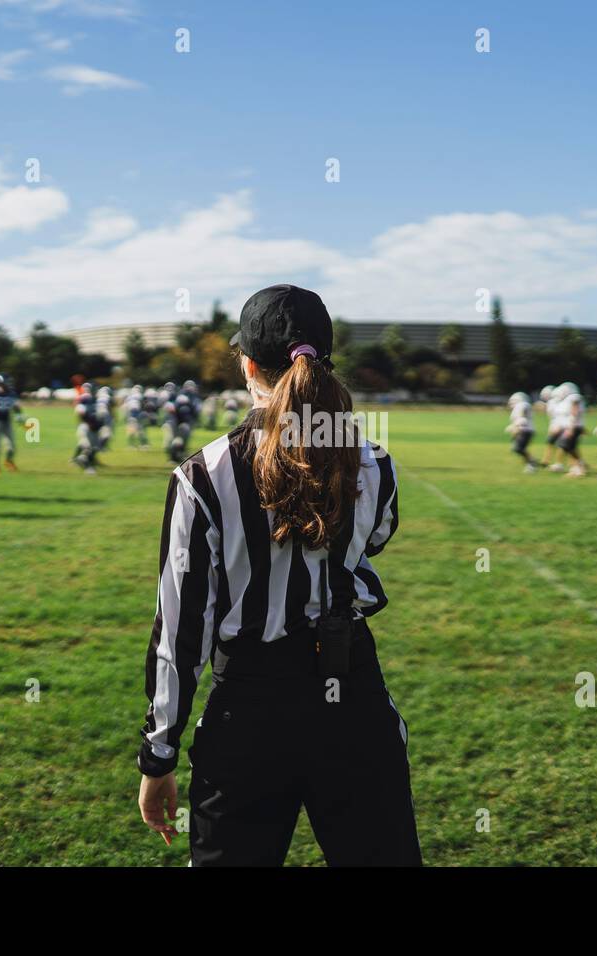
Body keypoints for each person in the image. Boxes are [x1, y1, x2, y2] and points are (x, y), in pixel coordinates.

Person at [136, 284, 421, 867]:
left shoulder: (203, 475)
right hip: (350, 695)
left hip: (249, 709)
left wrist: (158, 756)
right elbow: (376, 539)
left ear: (247, 365)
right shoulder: (373, 462)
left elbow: (181, 631)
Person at [506, 391, 537, 473]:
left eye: (514, 401)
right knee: (518, 449)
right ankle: (531, 462)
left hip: (525, 430)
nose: (512, 403)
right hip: (522, 430)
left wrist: (515, 427)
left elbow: (522, 418)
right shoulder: (517, 407)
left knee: (519, 448)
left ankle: (531, 463)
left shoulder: (523, 405)